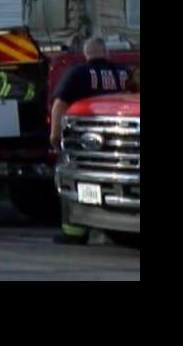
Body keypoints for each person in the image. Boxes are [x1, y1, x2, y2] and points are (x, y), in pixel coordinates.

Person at [49, 36, 131, 245]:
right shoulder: (124, 73)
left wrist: (55, 133)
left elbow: (60, 104)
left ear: (86, 54)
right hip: (121, 144)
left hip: (85, 142)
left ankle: (73, 233)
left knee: (74, 180)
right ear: (106, 52)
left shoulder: (77, 73)